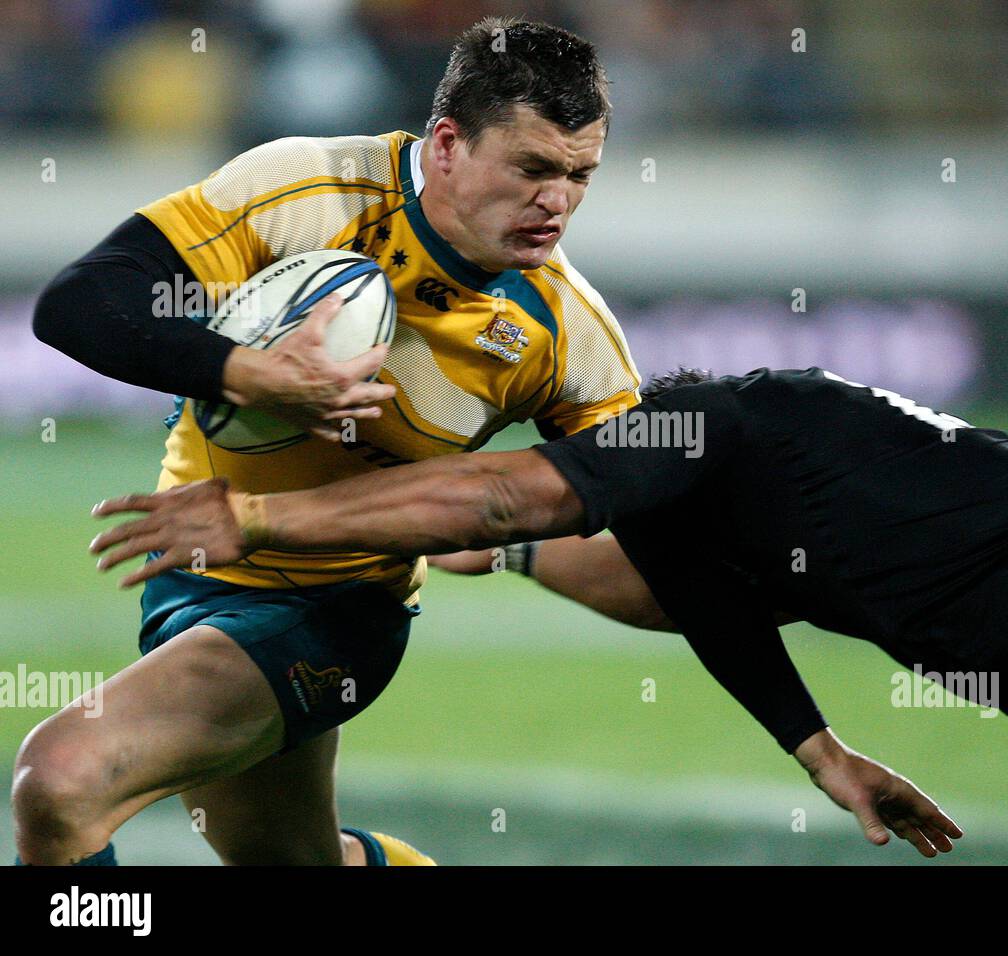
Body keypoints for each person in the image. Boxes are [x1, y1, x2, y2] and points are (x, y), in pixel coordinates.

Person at [87, 366, 1008, 863]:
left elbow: (521, 487)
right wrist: (823, 752)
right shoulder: (769, 488)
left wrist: (257, 516)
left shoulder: (700, 420)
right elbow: (694, 602)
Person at [16, 17, 640, 866]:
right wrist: (246, 372)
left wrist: (806, 704)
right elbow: (82, 304)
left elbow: (651, 538)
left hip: (335, 610)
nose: (557, 201)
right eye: (532, 167)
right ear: (448, 144)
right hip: (192, 574)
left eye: (580, 175)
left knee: (59, 783)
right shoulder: (309, 190)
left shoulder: (570, 337)